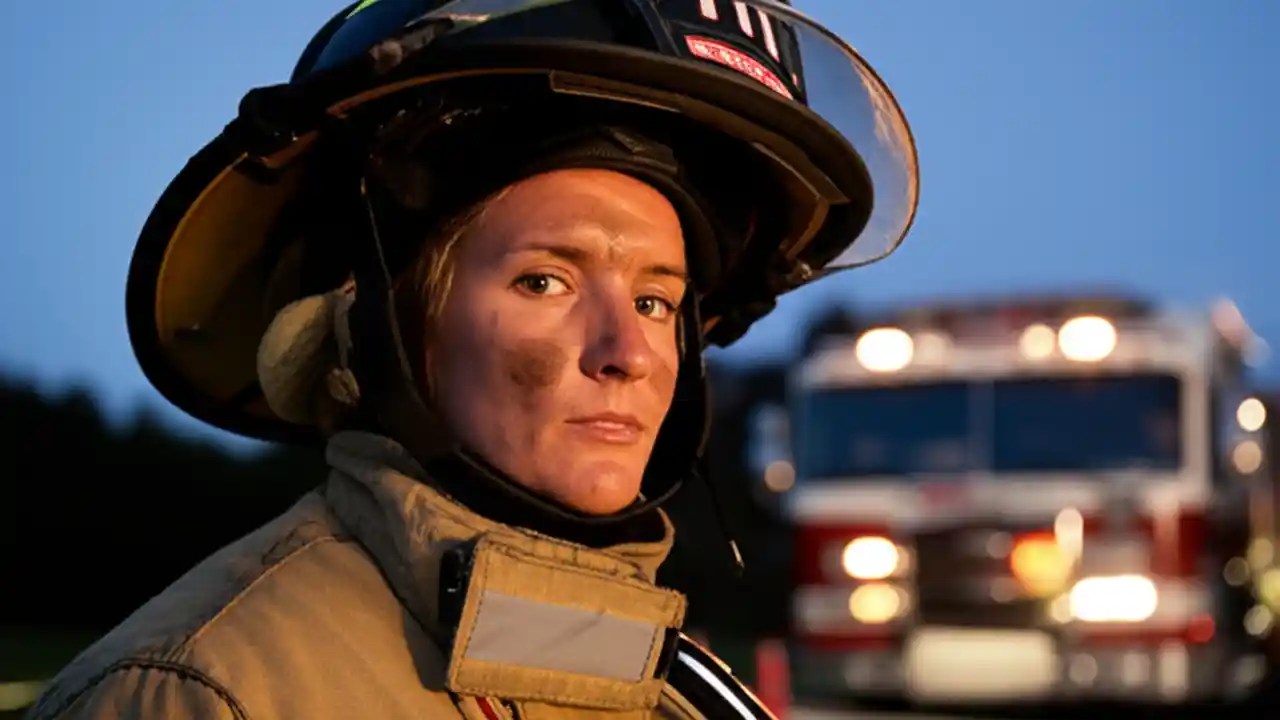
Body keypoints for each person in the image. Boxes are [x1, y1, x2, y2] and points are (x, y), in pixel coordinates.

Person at [28, 0, 917, 718]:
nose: (626, 355)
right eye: (545, 282)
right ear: (380, 325)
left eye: (655, 301)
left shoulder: (677, 693)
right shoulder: (203, 692)